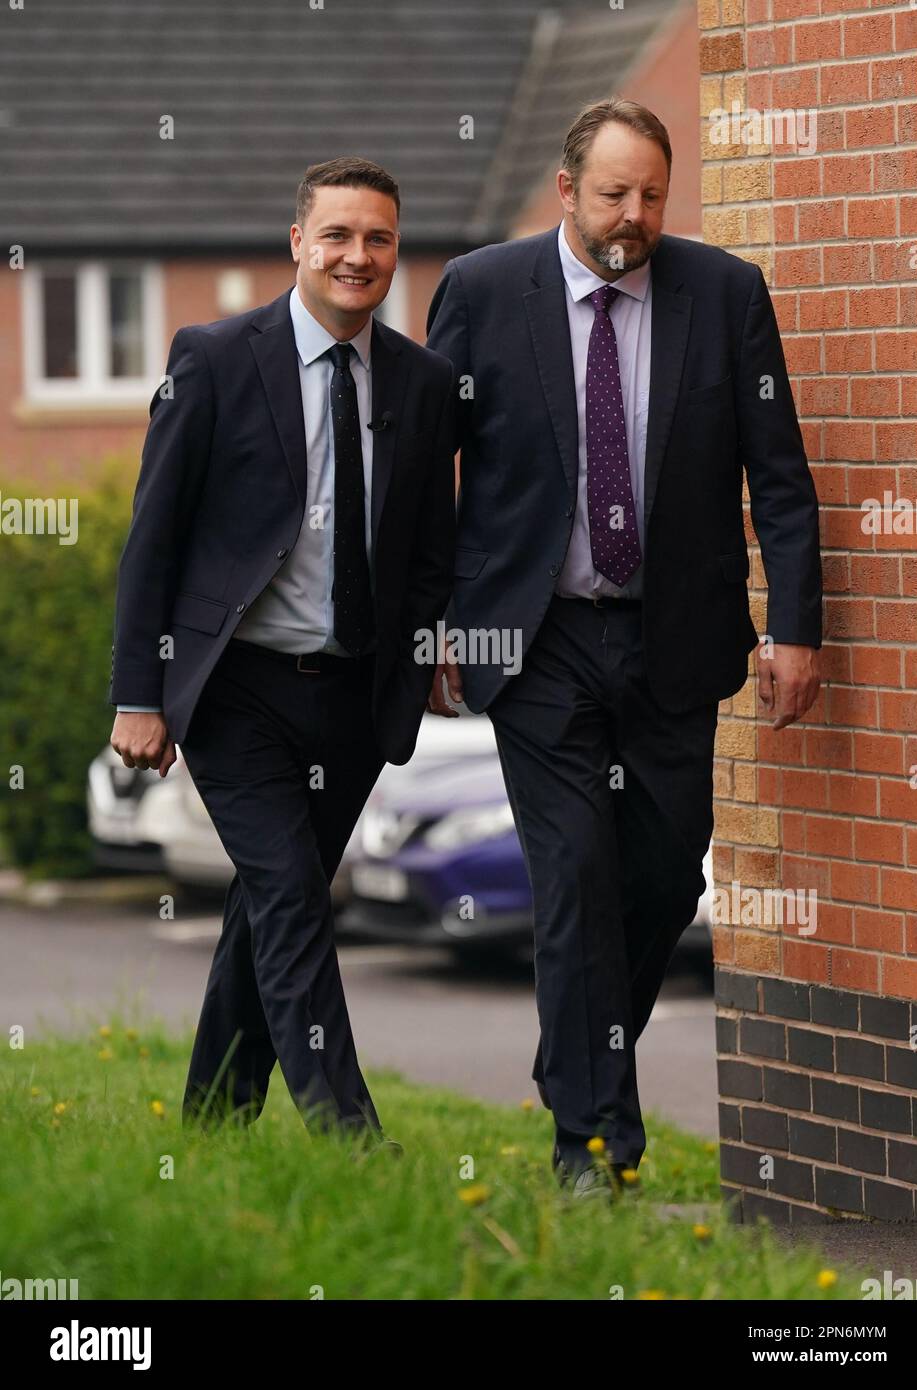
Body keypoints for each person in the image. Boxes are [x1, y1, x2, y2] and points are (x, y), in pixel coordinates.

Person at [425, 99, 822, 1198]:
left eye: (652, 192)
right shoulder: (482, 291)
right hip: (538, 637)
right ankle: (593, 1147)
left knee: (655, 877)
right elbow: (421, 479)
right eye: (612, 193)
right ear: (564, 191)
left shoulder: (725, 294)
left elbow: (777, 475)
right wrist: (437, 622)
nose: (634, 214)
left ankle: (578, 1054)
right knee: (574, 875)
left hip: (673, 643)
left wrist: (795, 625)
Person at [109, 157, 456, 1146]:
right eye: (338, 235)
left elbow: (431, 548)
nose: (358, 256)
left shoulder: (424, 385)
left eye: (378, 238)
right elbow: (154, 539)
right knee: (297, 896)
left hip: (350, 699)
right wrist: (142, 693)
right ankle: (350, 1138)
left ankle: (212, 1126)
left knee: (269, 907)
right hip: (236, 694)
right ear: (298, 242)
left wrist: (426, 650)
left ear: (396, 251)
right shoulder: (214, 357)